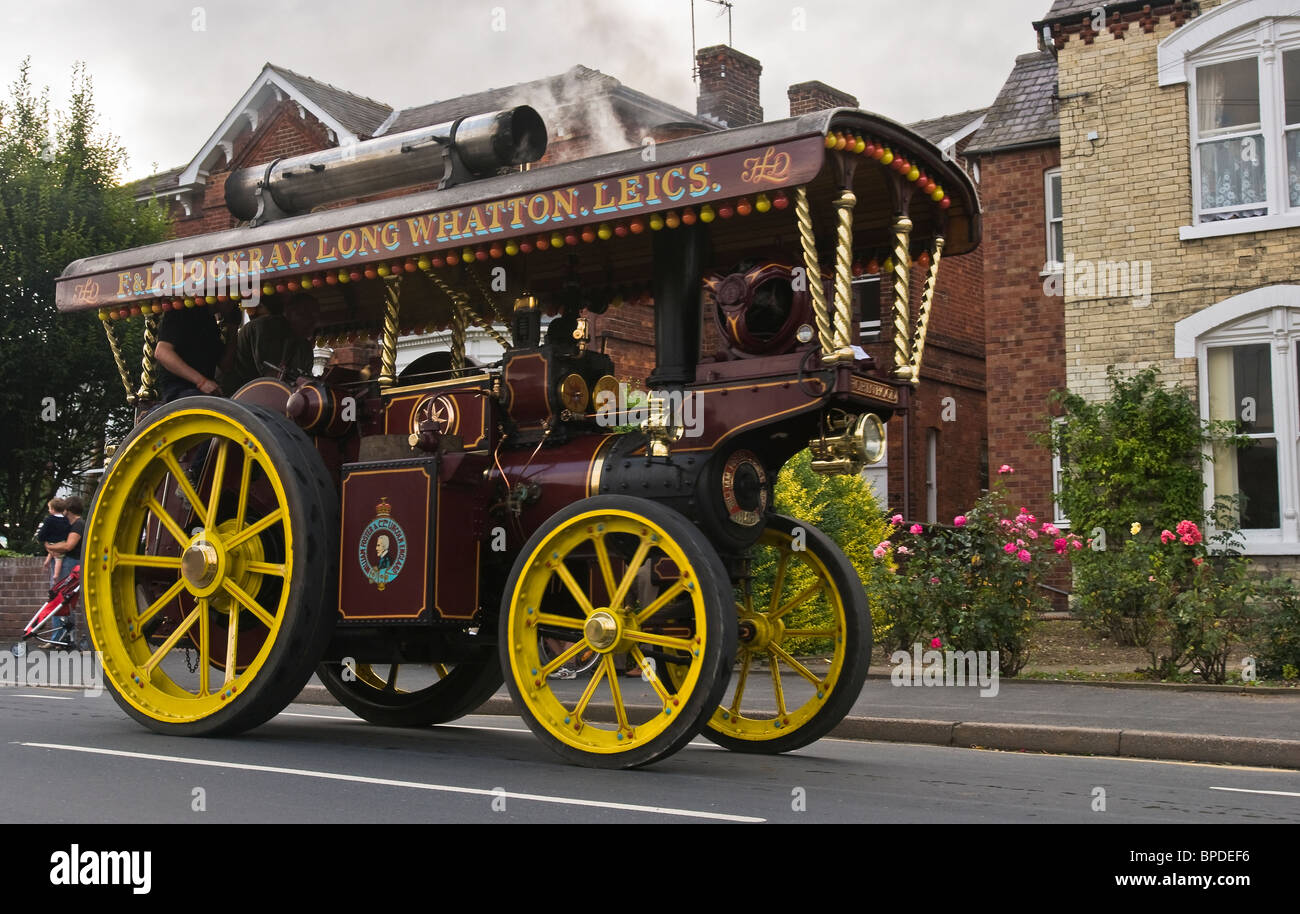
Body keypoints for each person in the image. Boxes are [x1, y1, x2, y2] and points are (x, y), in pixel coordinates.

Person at [228, 293, 319, 392]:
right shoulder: (265, 328)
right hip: (237, 396)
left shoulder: (305, 346)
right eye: (305, 314)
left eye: (315, 316)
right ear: (288, 312)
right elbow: (272, 377)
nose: (311, 321)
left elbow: (304, 379)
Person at [154, 303, 236, 402]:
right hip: (178, 390)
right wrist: (202, 382)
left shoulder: (211, 322)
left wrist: (233, 329)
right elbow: (162, 352)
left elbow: (226, 366)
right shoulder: (180, 311)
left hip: (203, 391)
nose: (234, 304)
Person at [44, 495, 87, 650]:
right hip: (66, 563)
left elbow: (69, 545)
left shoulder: (78, 525)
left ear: (68, 510)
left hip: (70, 564)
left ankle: (64, 638)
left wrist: (50, 547)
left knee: (64, 599)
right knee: (59, 599)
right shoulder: (71, 524)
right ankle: (58, 638)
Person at [36, 497, 71, 585]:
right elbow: (68, 531)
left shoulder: (49, 519)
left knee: (53, 555)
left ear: (52, 509)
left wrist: (41, 539)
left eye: (49, 508)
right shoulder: (66, 520)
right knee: (59, 559)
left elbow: (43, 532)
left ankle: (55, 574)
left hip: (51, 542)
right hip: (61, 543)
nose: (49, 510)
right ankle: (54, 572)